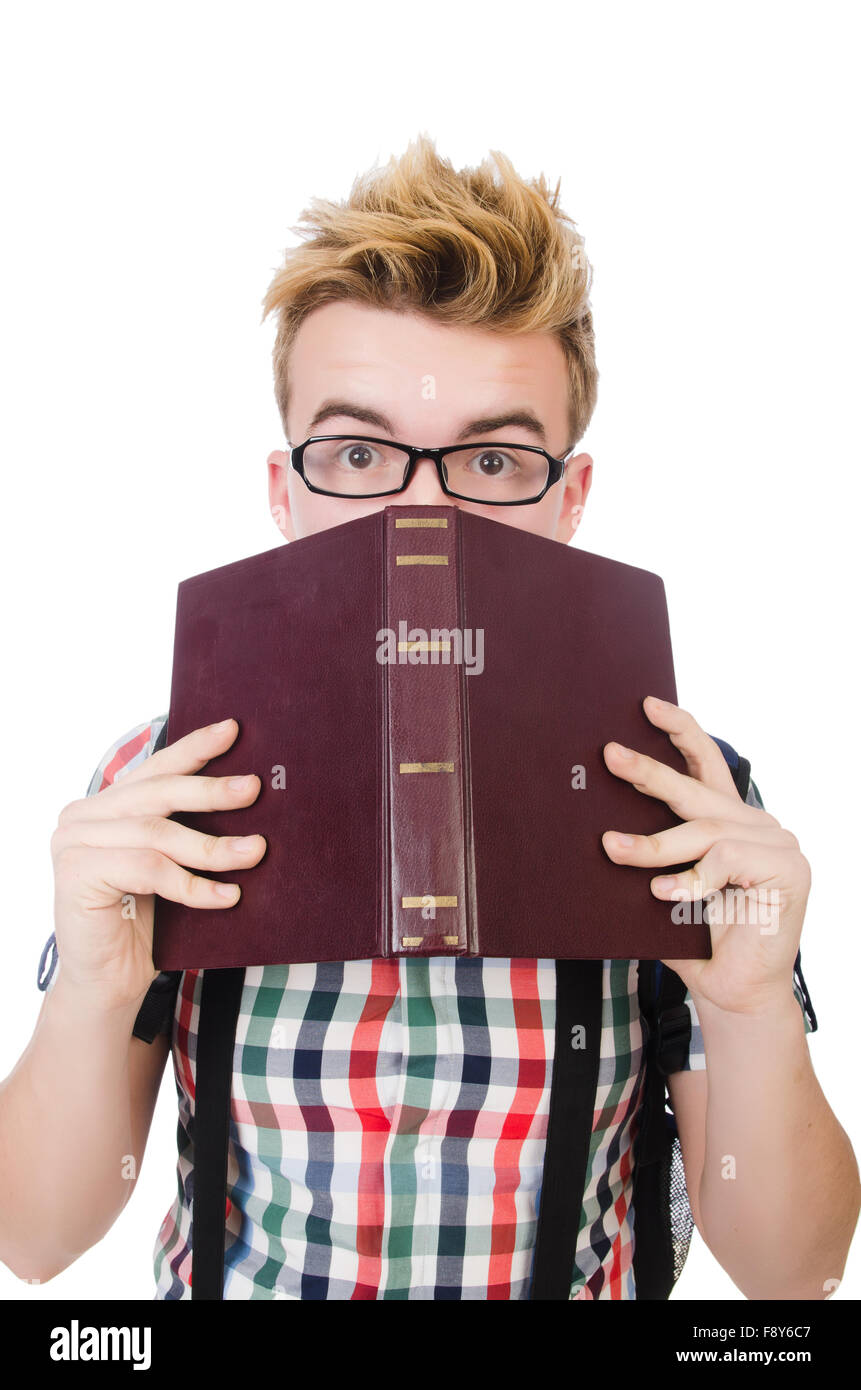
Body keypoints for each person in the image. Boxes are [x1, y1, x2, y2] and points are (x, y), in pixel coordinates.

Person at [4, 134, 859, 1300]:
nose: (422, 510)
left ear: (571, 500)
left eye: (495, 461)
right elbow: (35, 1237)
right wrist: (95, 986)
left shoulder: (684, 792)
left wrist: (755, 1004)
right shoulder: (162, 779)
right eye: (357, 452)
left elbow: (794, 1273)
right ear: (282, 491)